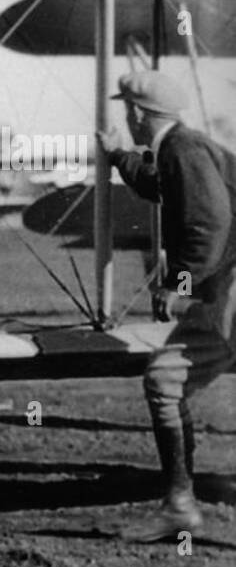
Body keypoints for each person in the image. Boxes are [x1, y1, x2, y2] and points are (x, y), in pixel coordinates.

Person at [99, 70, 236, 542]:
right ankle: (179, 504)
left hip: (230, 291)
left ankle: (182, 503)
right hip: (223, 297)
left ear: (137, 113)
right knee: (165, 380)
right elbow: (158, 185)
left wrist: (180, 283)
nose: (127, 115)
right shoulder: (182, 148)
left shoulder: (184, 149)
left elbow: (210, 224)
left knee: (165, 380)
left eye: (128, 110)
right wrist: (119, 155)